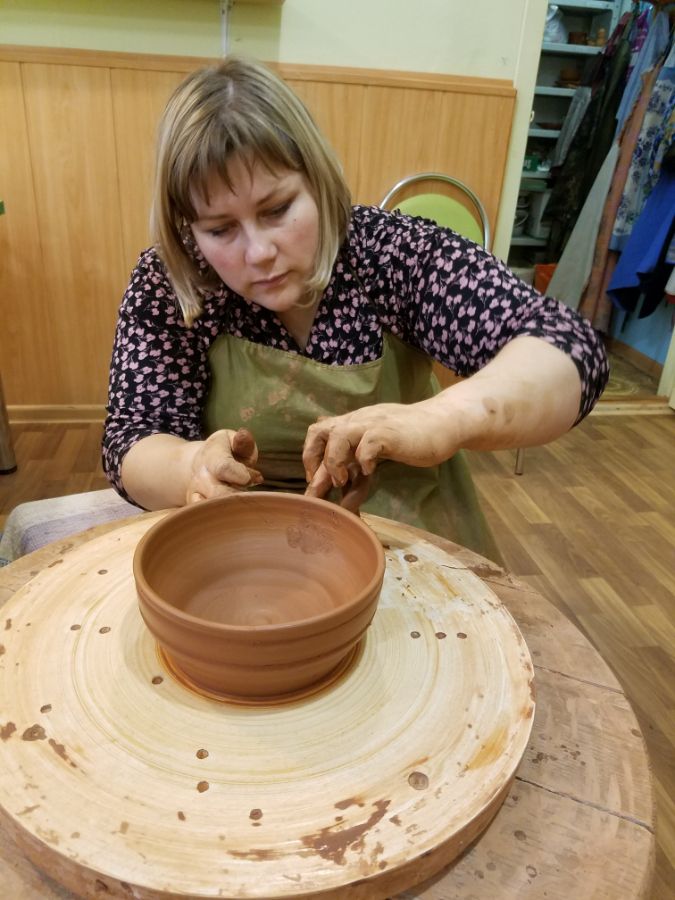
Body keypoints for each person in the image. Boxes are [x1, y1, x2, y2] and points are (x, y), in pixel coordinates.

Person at [102, 56, 609, 563]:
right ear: (188, 228)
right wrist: (190, 465)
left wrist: (444, 418)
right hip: (240, 538)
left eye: (277, 210)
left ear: (318, 182)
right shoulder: (172, 282)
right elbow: (131, 439)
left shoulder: (388, 253)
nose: (257, 252)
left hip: (408, 535)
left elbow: (569, 347)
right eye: (220, 229)